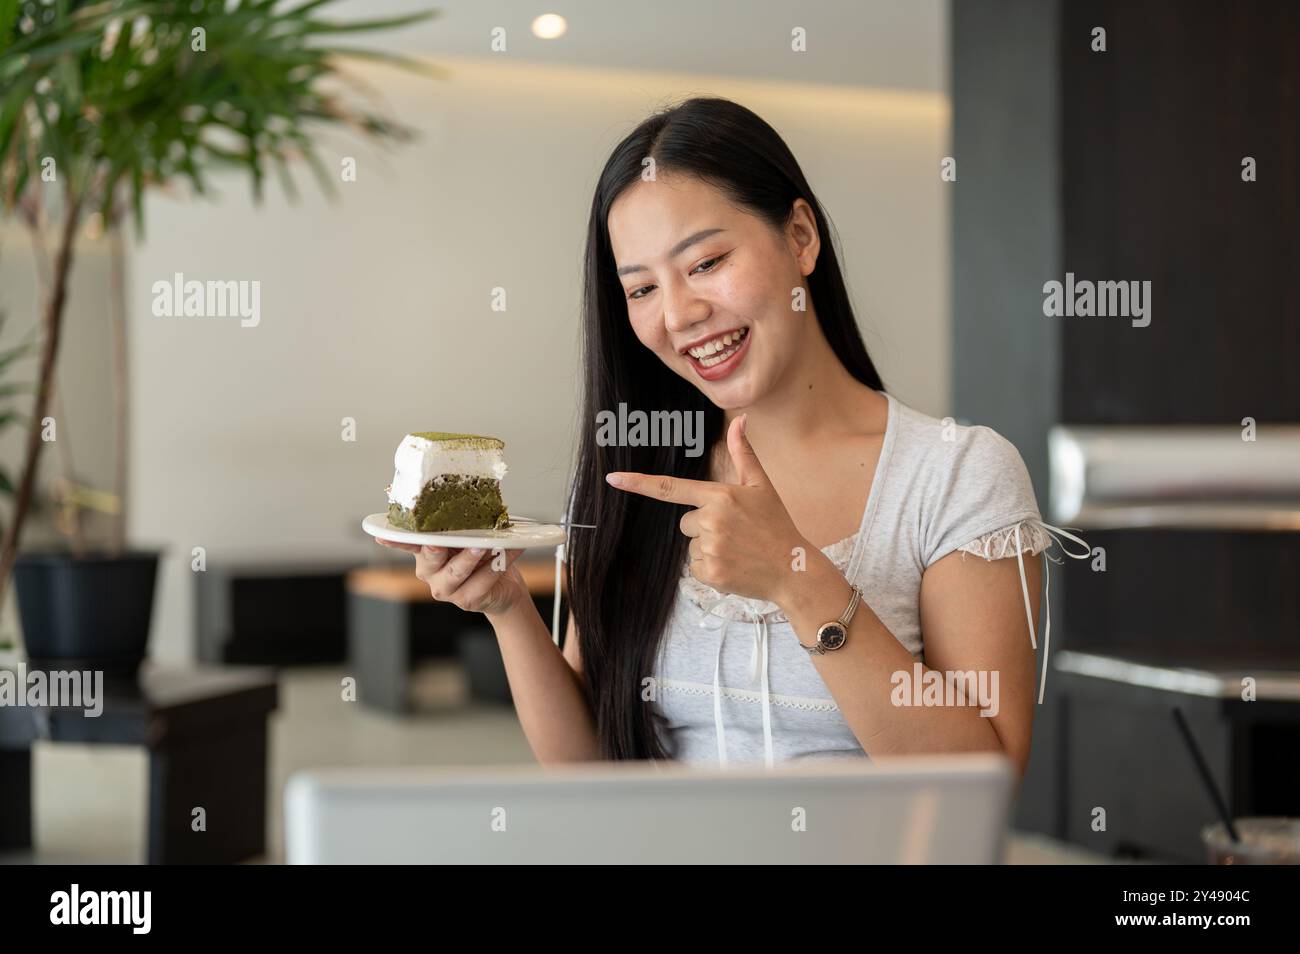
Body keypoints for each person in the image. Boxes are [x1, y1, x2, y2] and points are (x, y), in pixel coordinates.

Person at [378, 97, 1088, 775]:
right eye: (642, 289)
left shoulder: (957, 475)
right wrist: (506, 608)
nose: (681, 313)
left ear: (800, 238)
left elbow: (985, 776)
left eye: (706, 263)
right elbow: (593, 765)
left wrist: (795, 578)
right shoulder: (633, 472)